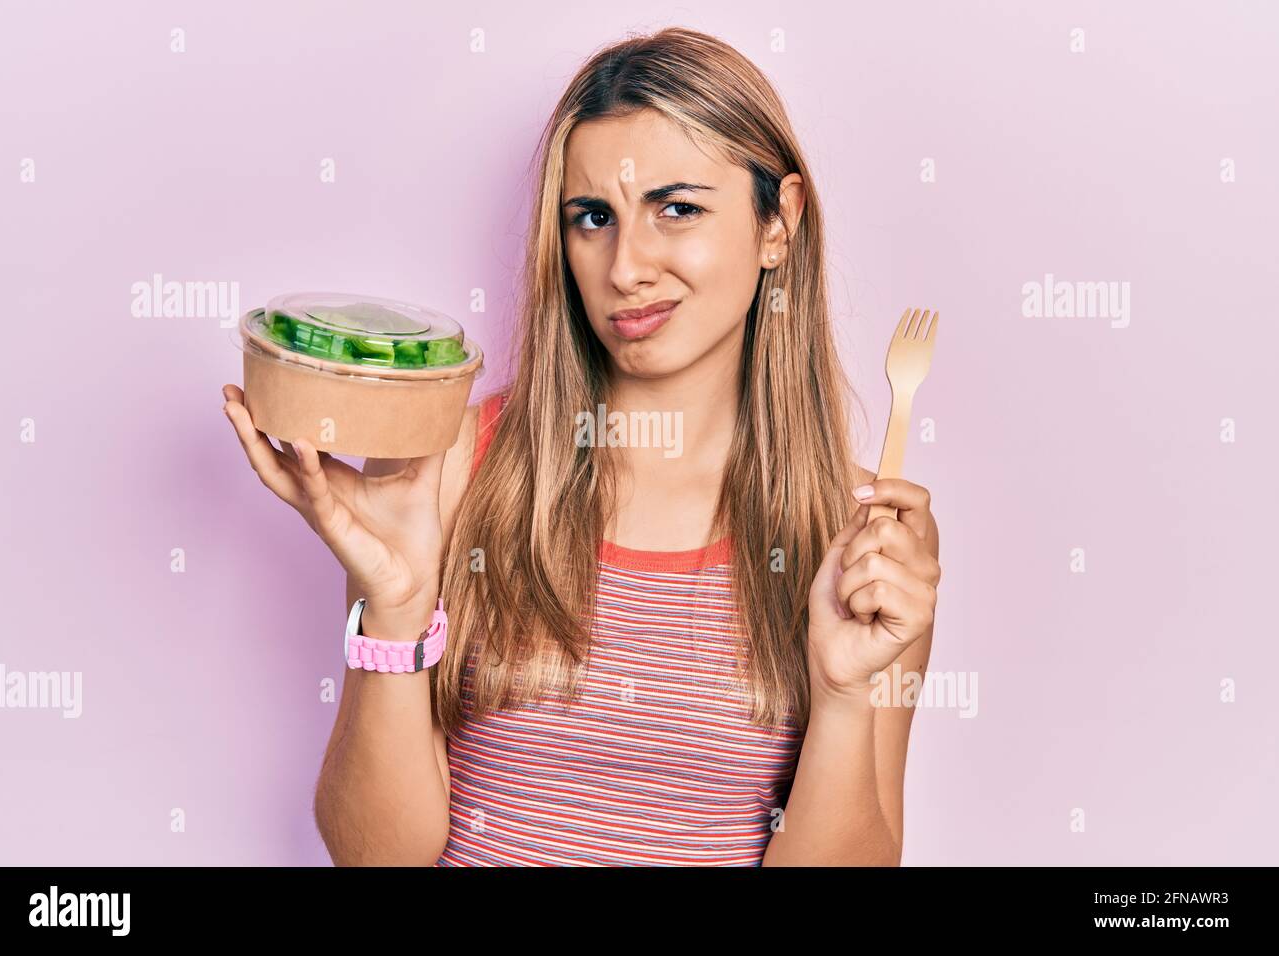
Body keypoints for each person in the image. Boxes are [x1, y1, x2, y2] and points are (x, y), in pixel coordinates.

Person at [221, 26, 940, 866]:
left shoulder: (865, 542)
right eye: (593, 217)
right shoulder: (450, 464)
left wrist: (846, 695)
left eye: (678, 208)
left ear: (778, 223)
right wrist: (395, 604)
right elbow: (375, 857)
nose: (626, 267)